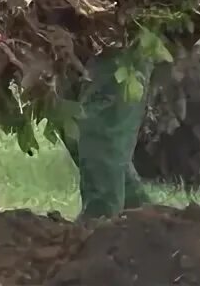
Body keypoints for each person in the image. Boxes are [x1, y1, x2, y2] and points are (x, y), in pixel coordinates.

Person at [59, 50, 154, 218]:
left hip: (113, 49)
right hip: (85, 49)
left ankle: (102, 224)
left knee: (100, 142)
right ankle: (139, 221)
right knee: (90, 142)